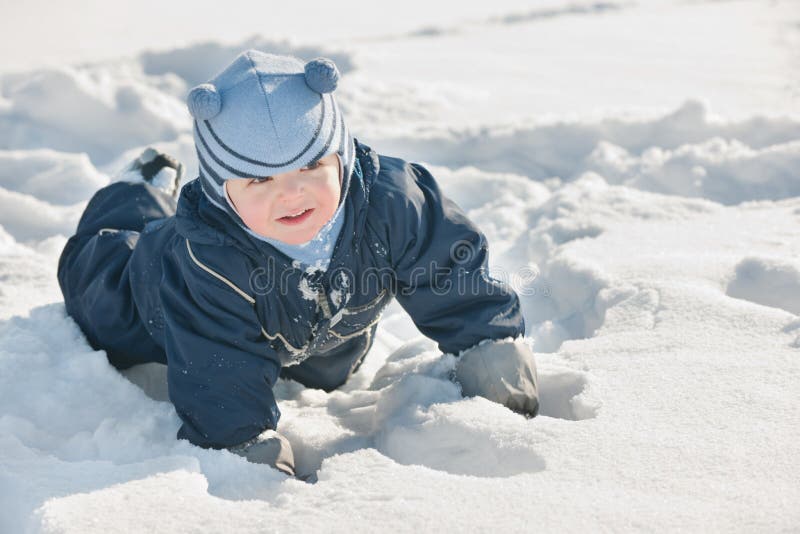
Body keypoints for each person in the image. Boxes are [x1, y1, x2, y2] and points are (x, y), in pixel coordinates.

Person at [57, 49, 539, 478]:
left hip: (316, 313)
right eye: (258, 180)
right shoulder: (206, 263)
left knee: (329, 372)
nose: (291, 194)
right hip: (149, 297)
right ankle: (136, 191)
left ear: (343, 160)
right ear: (222, 194)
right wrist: (238, 441)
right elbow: (217, 361)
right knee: (100, 282)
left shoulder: (393, 204)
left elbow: (450, 273)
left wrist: (486, 343)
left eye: (309, 167)